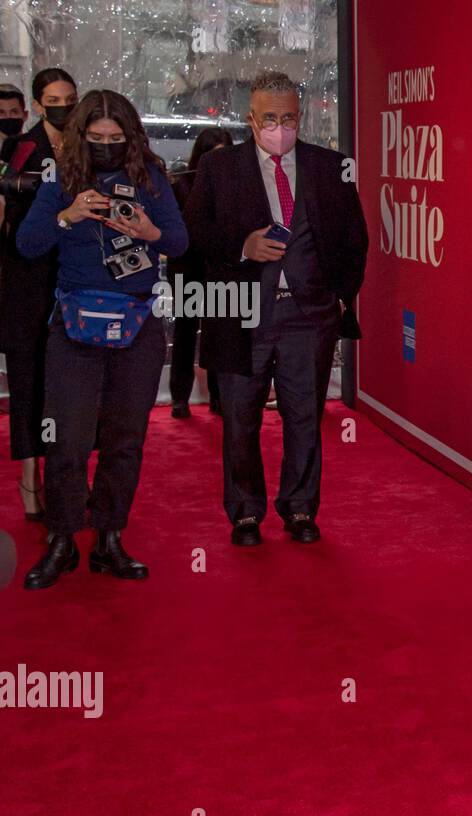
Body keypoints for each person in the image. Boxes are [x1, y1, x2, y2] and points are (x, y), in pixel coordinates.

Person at [185, 70, 367, 547]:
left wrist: (342, 296)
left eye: (288, 118)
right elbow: (193, 237)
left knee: (305, 415)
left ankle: (301, 508)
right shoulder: (219, 169)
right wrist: (242, 246)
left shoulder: (331, 167)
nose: (280, 127)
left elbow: (355, 239)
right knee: (241, 418)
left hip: (308, 316)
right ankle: (245, 513)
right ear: (250, 119)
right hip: (240, 311)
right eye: (270, 118)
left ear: (299, 117)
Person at [17, 89, 188, 589]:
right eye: (96, 138)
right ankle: (63, 539)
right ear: (80, 136)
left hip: (136, 324)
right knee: (66, 439)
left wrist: (149, 230)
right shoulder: (59, 179)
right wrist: (67, 215)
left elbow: (179, 243)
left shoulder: (151, 179)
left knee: (125, 439)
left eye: (116, 138)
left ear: (130, 137)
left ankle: (110, 538)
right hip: (73, 323)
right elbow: (27, 244)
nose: (106, 146)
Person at [0, 68, 77, 522]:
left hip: (74, 276)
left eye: (69, 97)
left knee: (72, 385)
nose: (62, 105)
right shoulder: (21, 147)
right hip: (27, 278)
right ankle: (31, 478)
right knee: (29, 384)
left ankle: (68, 478)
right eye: (54, 99)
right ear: (39, 103)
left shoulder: (87, 145)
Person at [167, 126, 232, 418]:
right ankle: (179, 397)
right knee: (185, 333)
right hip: (188, 269)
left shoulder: (236, 186)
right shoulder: (181, 183)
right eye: (212, 156)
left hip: (218, 270)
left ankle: (219, 397)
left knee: (218, 334)